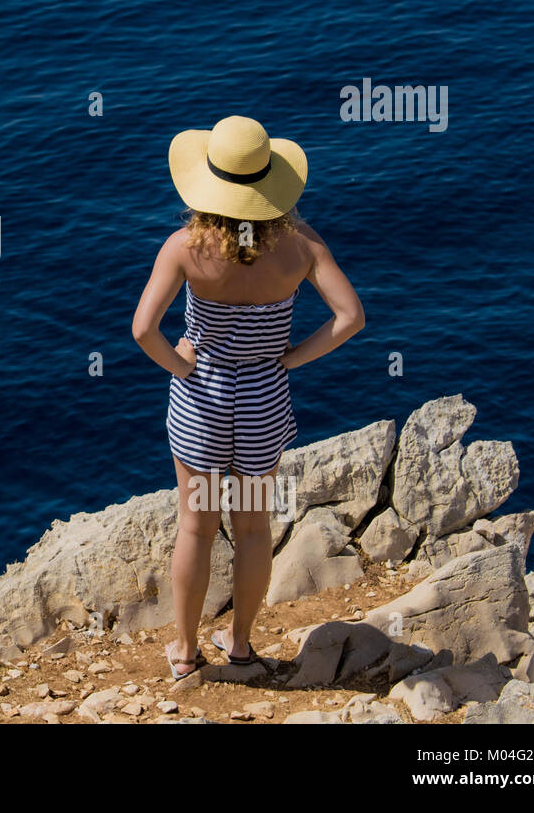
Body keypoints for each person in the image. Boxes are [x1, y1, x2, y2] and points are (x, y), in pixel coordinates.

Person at [131, 115, 364, 679]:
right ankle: (240, 649)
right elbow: (351, 318)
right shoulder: (300, 245)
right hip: (263, 398)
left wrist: (182, 363)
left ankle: (185, 657)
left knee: (195, 527)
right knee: (255, 528)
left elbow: (143, 329)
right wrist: (290, 357)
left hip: (202, 400)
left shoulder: (186, 247)